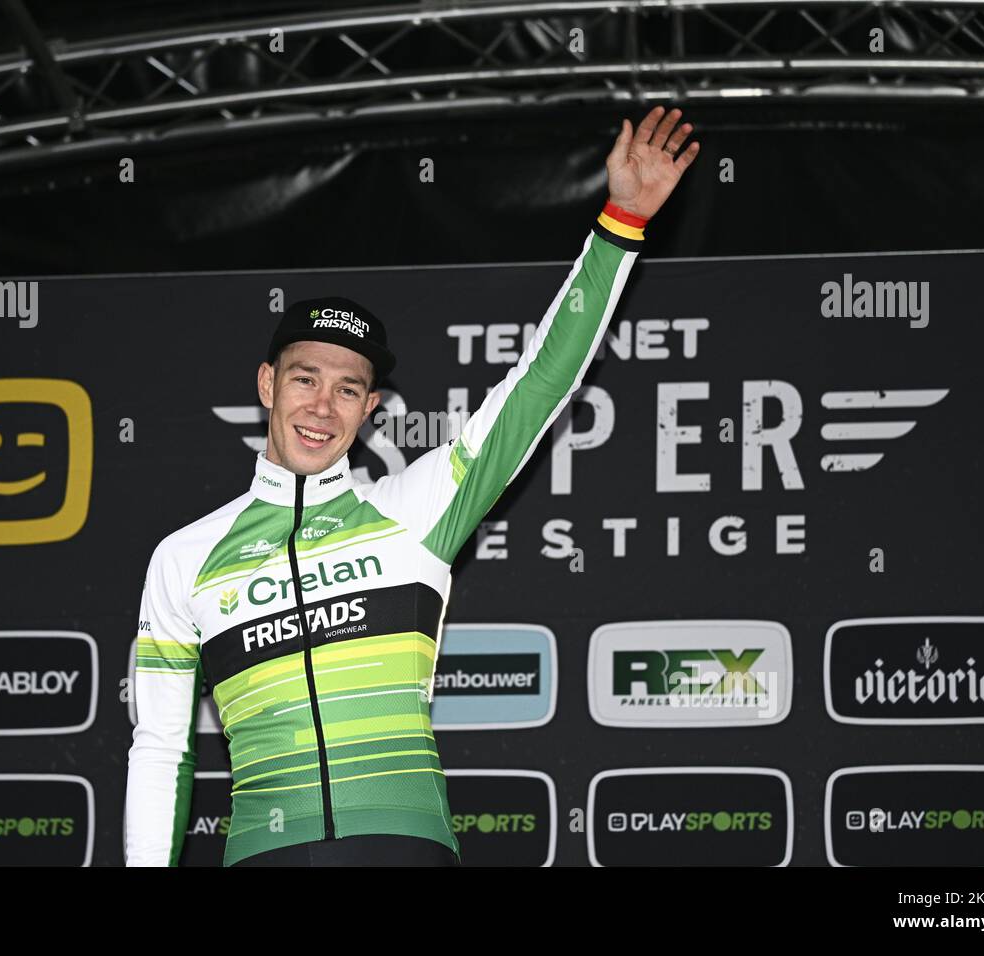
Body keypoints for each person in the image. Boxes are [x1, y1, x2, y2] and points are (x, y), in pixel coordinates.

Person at [125, 107, 700, 867]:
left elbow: (540, 385)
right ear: (268, 384)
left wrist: (621, 220)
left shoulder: (414, 511)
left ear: (372, 408)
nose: (322, 407)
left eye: (347, 389)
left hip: (406, 847)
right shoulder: (183, 557)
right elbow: (161, 748)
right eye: (305, 379)